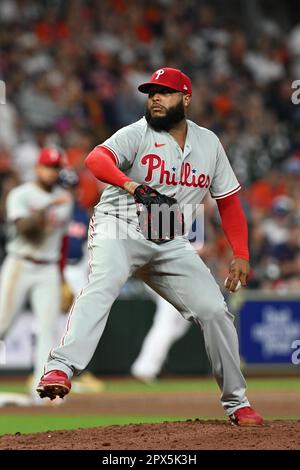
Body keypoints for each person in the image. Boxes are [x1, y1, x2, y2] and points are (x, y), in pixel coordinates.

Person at [37, 67, 263, 426]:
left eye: (165, 92)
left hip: (169, 239)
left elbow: (230, 201)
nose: (155, 97)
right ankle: (60, 368)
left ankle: (237, 403)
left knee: (214, 311)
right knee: (103, 285)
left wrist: (241, 253)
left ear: (186, 99)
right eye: (151, 91)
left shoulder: (209, 144)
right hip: (119, 226)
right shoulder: (137, 133)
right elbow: (96, 159)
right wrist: (132, 186)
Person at [0, 147, 73, 402]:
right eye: (47, 167)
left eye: (55, 168)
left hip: (49, 267)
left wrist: (62, 276)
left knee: (48, 329)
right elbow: (27, 230)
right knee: (2, 323)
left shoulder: (65, 198)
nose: (51, 172)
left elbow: (61, 241)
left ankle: (44, 391)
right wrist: (48, 206)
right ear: (37, 168)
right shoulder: (21, 195)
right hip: (20, 264)